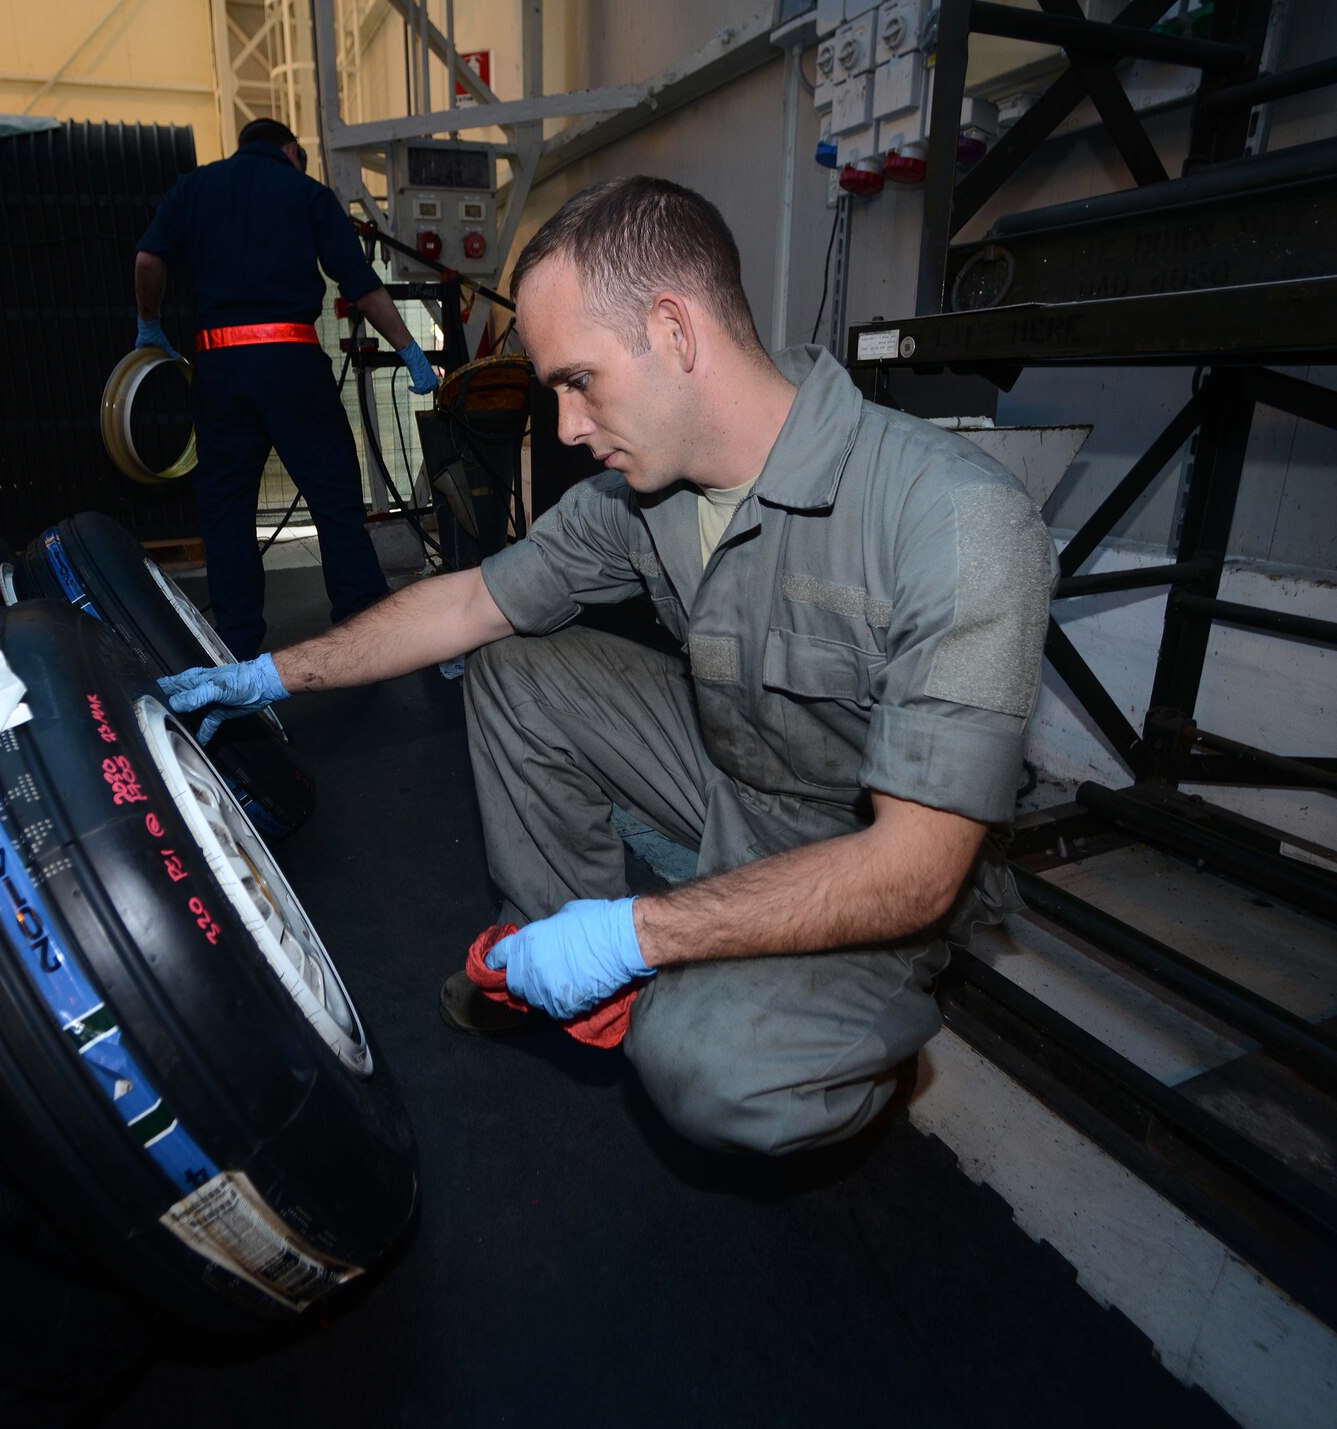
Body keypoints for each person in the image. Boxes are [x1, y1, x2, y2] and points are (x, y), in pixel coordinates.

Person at [160, 175, 1056, 1157]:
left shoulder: (953, 519)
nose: (567, 426)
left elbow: (916, 871)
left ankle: (855, 1053)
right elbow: (466, 602)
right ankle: (544, 957)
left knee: (704, 1072)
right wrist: (266, 677)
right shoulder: (643, 497)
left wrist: (641, 931)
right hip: (729, 775)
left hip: (868, 851)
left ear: (674, 332)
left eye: (577, 380)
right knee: (503, 660)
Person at [133, 116, 440, 660]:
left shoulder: (195, 188)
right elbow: (363, 289)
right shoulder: (308, 194)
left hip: (219, 371)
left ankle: (236, 650)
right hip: (292, 366)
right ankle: (360, 627)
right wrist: (411, 352)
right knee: (333, 499)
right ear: (292, 150)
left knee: (227, 514)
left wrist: (149, 324)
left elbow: (148, 260)